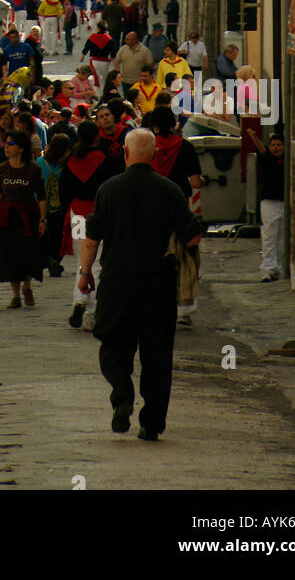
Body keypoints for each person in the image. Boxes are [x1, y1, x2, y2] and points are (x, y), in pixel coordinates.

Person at [79, 128, 202, 440]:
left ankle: (122, 395)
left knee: (112, 346)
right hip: (158, 285)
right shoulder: (171, 190)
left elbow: (92, 239)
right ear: (156, 154)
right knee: (157, 355)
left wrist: (84, 272)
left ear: (125, 153)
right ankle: (152, 423)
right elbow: (193, 235)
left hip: (118, 282)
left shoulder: (108, 189)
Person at [59, 120, 120, 330]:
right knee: (96, 261)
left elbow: (63, 193)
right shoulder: (106, 162)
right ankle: (90, 310)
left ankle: (80, 300)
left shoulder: (69, 162)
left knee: (83, 261)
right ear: (97, 137)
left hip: (76, 214)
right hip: (100, 214)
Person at [0, 130, 47, 308]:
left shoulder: (33, 169)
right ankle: (15, 295)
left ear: (21, 148)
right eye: (5, 143)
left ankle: (27, 287)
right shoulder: (1, 169)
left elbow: (41, 196)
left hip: (28, 216)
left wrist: (43, 219)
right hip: (7, 218)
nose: (6, 146)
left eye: (11, 144)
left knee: (28, 255)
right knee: (9, 257)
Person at [252, 131, 285, 281]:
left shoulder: (286, 160)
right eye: (273, 145)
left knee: (282, 236)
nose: (276, 148)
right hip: (269, 202)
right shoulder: (267, 159)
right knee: (270, 235)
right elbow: (261, 148)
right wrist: (254, 136)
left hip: (284, 202)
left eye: (279, 145)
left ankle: (279, 267)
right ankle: (268, 268)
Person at [37, 132, 72, 277]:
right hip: (60, 208)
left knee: (44, 237)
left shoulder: (40, 161)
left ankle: (49, 260)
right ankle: (55, 261)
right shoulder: (67, 165)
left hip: (41, 206)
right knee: (58, 238)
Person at [114, 31, 153, 98]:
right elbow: (116, 61)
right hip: (125, 81)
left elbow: (150, 64)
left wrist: (146, 77)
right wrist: (118, 73)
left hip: (139, 81)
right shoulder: (123, 49)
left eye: (127, 39)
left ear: (134, 40)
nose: (125, 41)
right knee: (127, 99)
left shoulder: (145, 51)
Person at [82, 19, 114, 91]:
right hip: (105, 61)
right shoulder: (109, 39)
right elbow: (113, 50)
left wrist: (83, 55)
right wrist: (111, 57)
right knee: (105, 78)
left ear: (98, 28)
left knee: (96, 79)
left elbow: (87, 47)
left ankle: (97, 94)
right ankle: (105, 92)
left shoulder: (93, 37)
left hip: (95, 61)